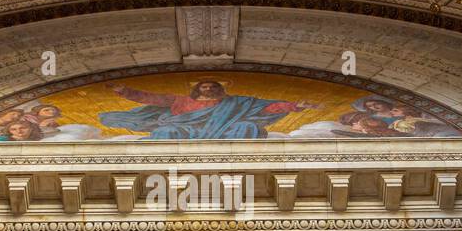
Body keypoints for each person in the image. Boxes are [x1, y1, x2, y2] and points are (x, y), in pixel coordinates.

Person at [100, 79, 315, 139]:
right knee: (165, 133)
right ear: (197, 89)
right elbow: (150, 97)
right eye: (204, 86)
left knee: (247, 127)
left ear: (220, 89)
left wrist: (295, 106)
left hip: (225, 133)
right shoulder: (179, 100)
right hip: (187, 132)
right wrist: (124, 91)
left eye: (213, 86)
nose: (209, 88)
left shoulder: (236, 102)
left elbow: (267, 107)